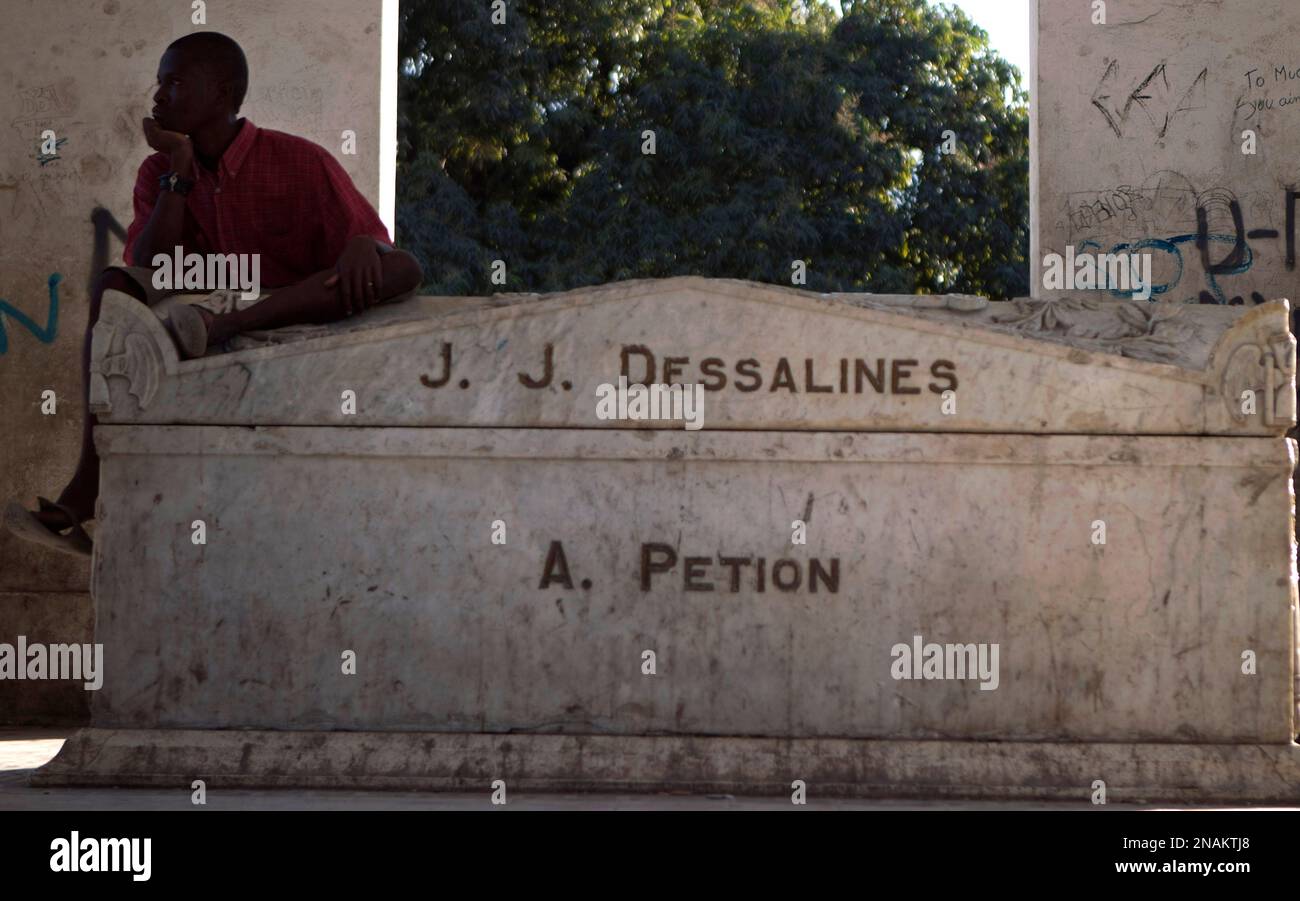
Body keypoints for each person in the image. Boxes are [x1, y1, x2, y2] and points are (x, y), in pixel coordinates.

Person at [4, 31, 424, 557]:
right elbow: (148, 264)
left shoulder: (300, 161)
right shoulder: (158, 170)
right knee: (113, 284)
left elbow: (390, 258)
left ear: (221, 94)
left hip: (295, 304)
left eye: (174, 83)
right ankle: (88, 480)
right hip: (197, 301)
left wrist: (365, 244)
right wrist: (178, 174)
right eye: (159, 83)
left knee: (399, 268)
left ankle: (223, 327)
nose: (157, 97)